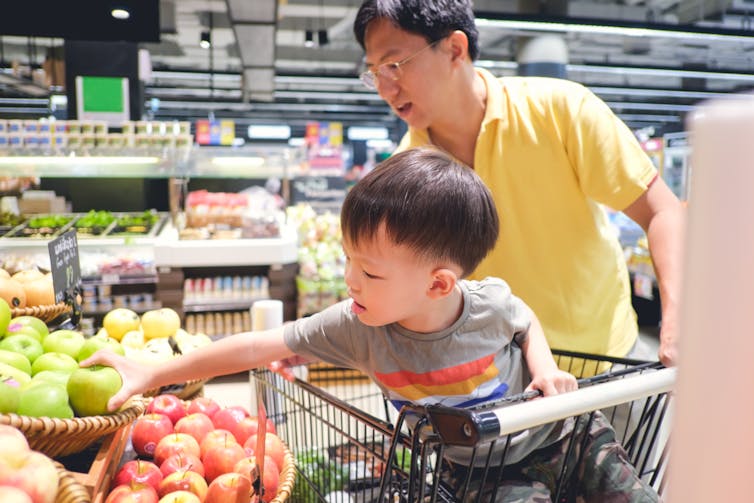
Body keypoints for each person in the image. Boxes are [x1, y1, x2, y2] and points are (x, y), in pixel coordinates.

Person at [87, 148, 658, 501]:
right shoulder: (356, 326)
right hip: (483, 472)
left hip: (567, 435)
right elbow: (257, 345)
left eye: (369, 271)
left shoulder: (484, 304)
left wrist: (546, 368)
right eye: (347, 262)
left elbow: (523, 317)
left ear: (438, 283)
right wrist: (157, 368)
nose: (350, 283)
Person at [352, 0, 685, 367]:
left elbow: (661, 211)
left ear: (455, 49)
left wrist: (678, 317)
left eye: (394, 65)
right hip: (499, 385)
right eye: (374, 72)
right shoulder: (405, 173)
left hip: (608, 361)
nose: (385, 88)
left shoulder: (560, 111)